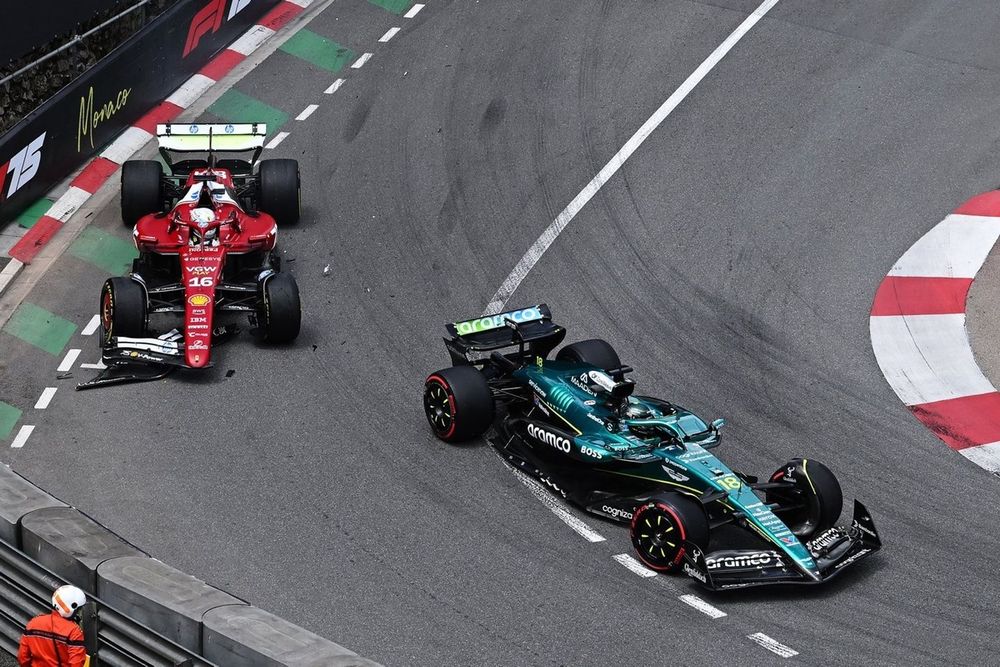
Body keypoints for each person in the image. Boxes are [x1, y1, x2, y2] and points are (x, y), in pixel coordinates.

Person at [17, 585, 88, 667]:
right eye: (78, 609)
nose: (79, 612)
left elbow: (22, 657)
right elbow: (76, 664)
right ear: (69, 608)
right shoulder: (74, 631)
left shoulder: (33, 623)